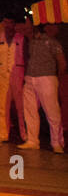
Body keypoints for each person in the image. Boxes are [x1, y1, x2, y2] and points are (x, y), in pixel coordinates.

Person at [20, 23, 65, 153]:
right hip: (30, 78)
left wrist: (57, 78)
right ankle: (32, 140)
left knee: (52, 112)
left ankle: (57, 142)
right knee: (29, 110)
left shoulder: (53, 42)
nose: (49, 29)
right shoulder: (31, 41)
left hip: (47, 78)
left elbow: (61, 62)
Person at [0, 13, 25, 144]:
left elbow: (26, 57)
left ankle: (24, 133)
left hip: (18, 74)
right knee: (3, 105)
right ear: (3, 23)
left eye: (11, 22)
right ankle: (4, 133)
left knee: (21, 106)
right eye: (6, 22)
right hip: (2, 75)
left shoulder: (22, 38)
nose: (8, 25)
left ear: (15, 24)